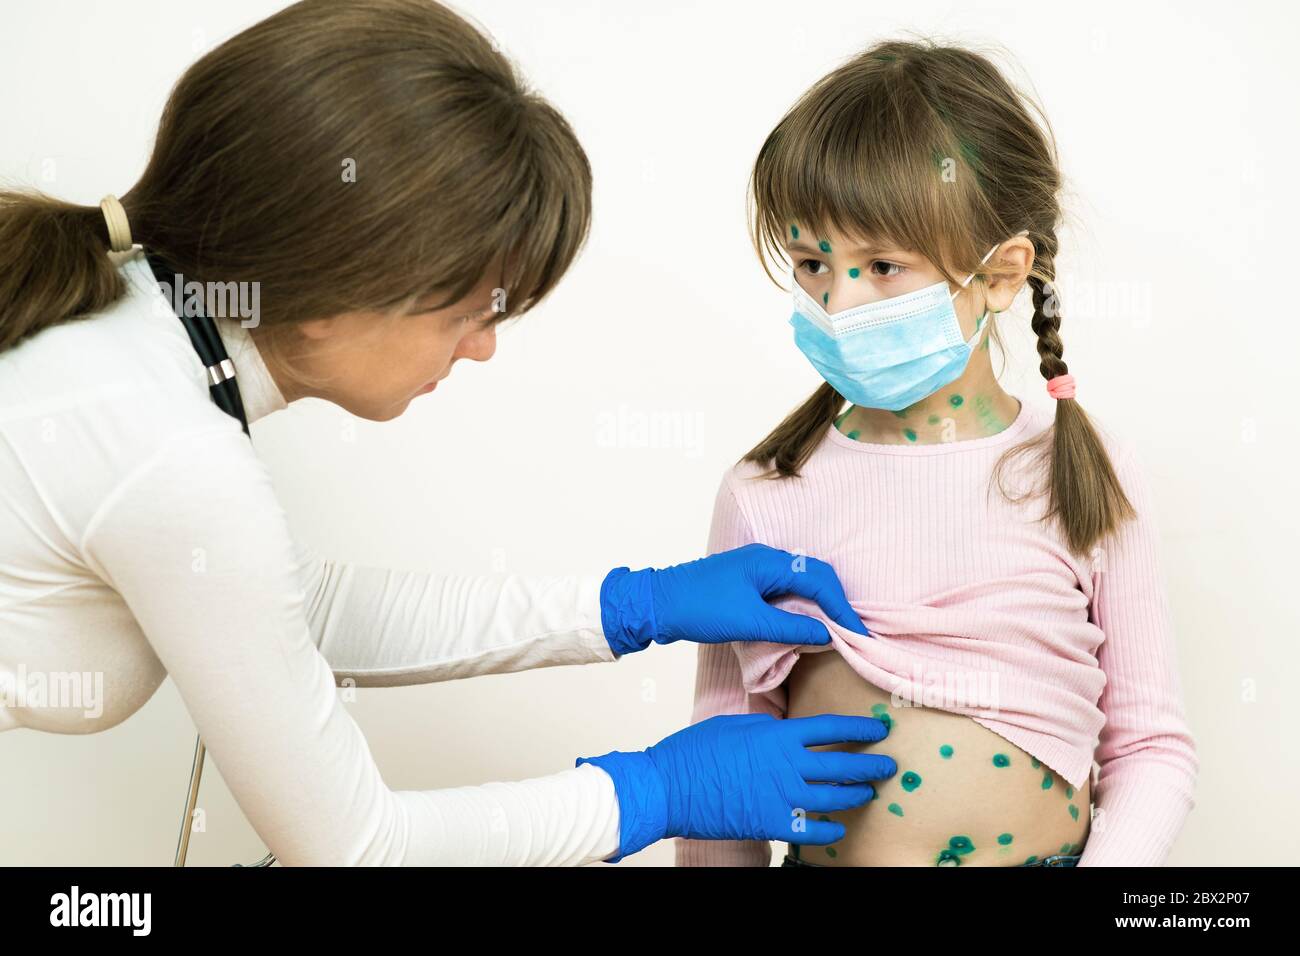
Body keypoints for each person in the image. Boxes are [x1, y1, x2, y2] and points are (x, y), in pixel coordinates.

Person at [0, 0, 898, 866]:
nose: (483, 349)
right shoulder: (170, 456)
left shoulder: (122, 334)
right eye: (470, 311)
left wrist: (631, 609)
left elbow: (286, 607)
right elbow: (356, 850)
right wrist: (649, 794)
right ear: (329, 288)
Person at [675, 38, 1198, 867]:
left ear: (999, 274)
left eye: (882, 265)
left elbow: (1151, 751)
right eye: (815, 263)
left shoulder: (1082, 471)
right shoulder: (765, 491)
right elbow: (718, 771)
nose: (839, 303)